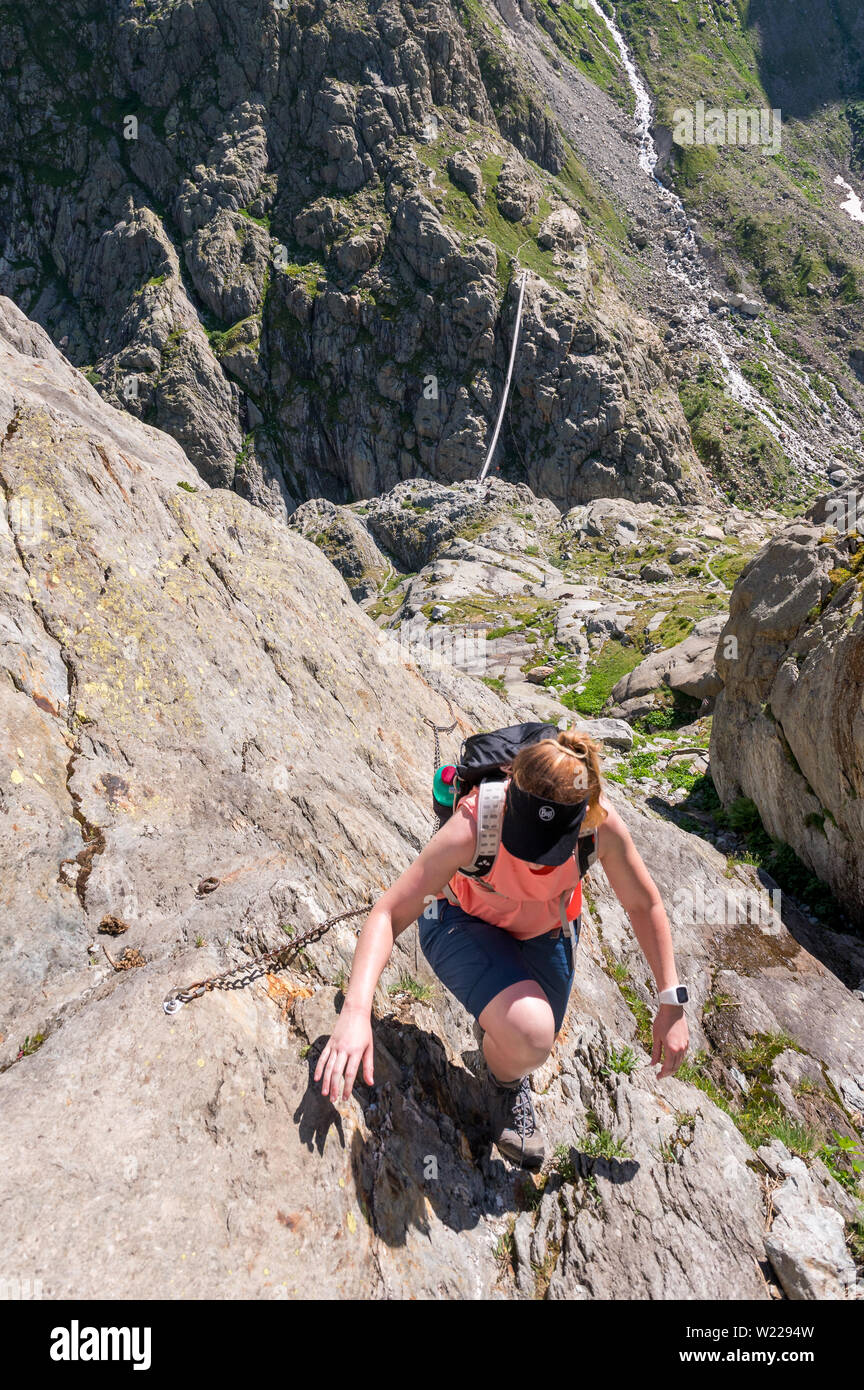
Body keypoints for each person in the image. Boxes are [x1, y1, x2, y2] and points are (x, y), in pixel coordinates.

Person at [314, 728, 690, 1168]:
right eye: (525, 843)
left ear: (580, 819)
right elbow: (388, 914)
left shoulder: (598, 826)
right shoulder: (474, 824)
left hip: (546, 931)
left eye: (548, 851)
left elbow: (644, 904)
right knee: (532, 1033)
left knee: (529, 1040)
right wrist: (357, 1013)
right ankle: (505, 1085)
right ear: (509, 796)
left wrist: (671, 1001)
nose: (534, 861)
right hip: (458, 921)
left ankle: (500, 1053)